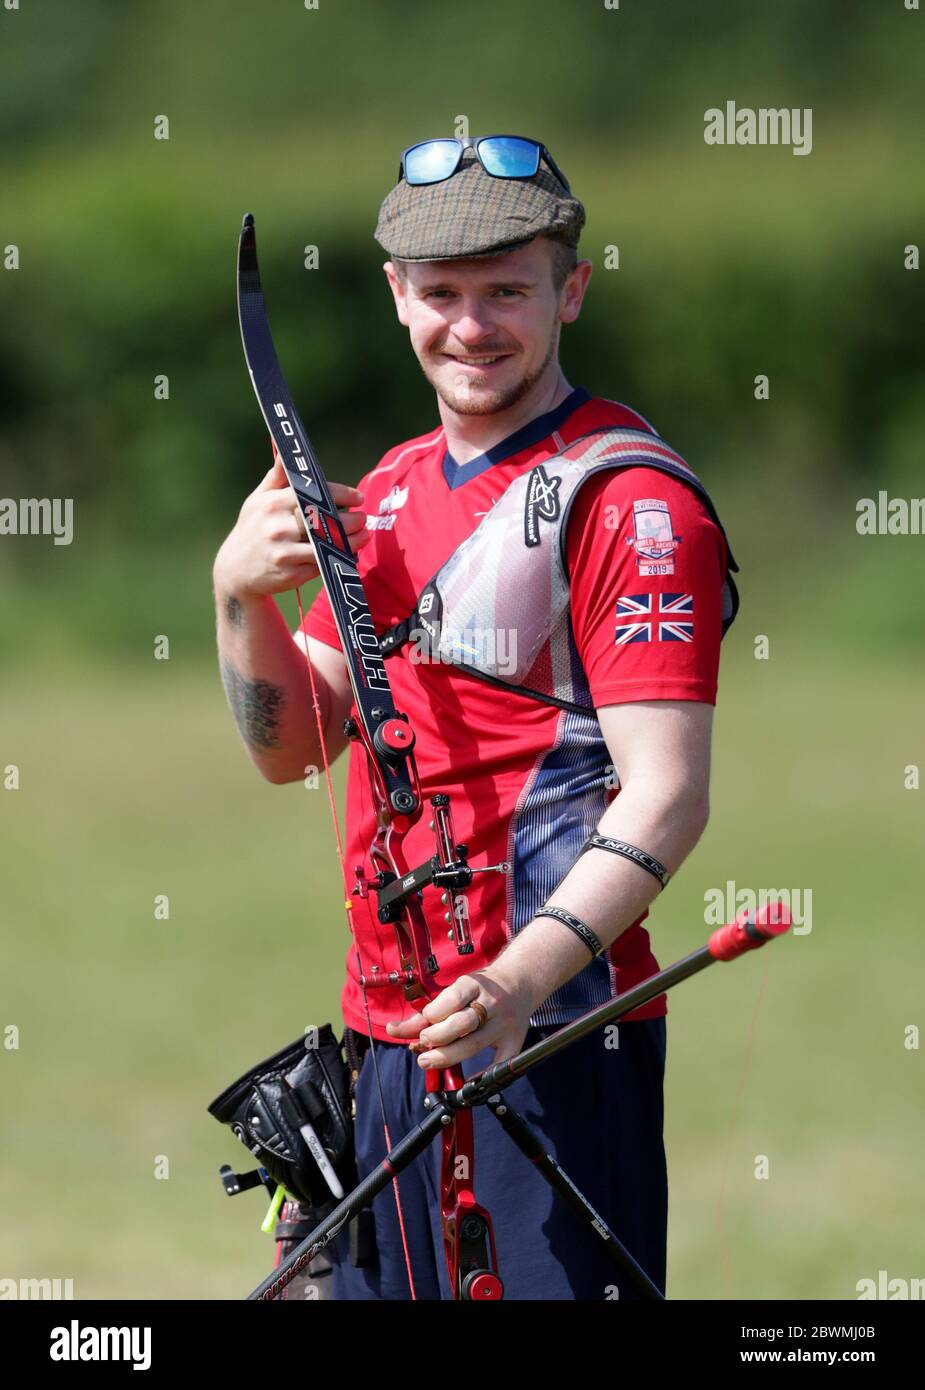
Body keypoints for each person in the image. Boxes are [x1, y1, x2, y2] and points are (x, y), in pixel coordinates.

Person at [213, 134, 739, 1300]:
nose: (473, 324)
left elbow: (669, 791)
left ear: (571, 288)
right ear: (397, 295)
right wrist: (239, 593)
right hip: (390, 1040)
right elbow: (293, 745)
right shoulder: (390, 489)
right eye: (442, 293)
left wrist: (515, 984)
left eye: (508, 289)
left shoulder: (629, 500)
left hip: (554, 1025)